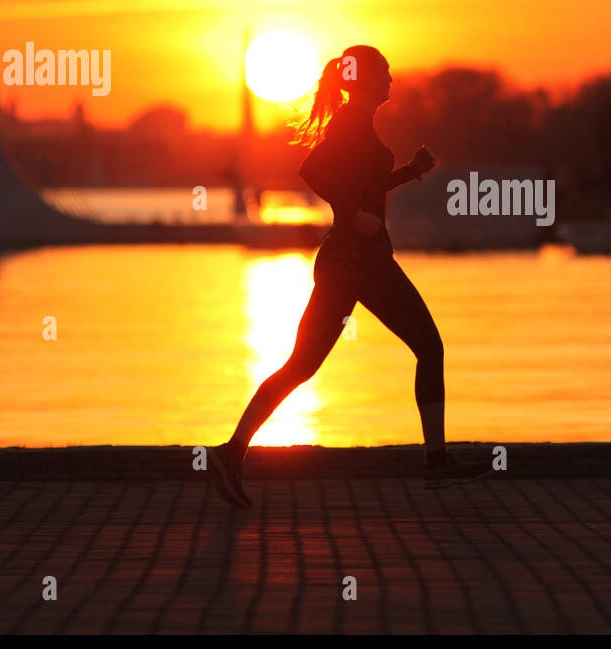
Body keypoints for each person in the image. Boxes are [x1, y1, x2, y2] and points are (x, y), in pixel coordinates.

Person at [208, 45, 491, 507]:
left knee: (302, 366)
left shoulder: (358, 124)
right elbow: (312, 170)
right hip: (358, 262)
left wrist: (409, 173)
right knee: (427, 346)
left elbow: (363, 184)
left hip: (353, 262)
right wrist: (349, 213)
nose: (392, 80)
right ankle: (436, 463)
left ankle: (231, 453)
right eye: (385, 72)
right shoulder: (351, 123)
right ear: (366, 80)